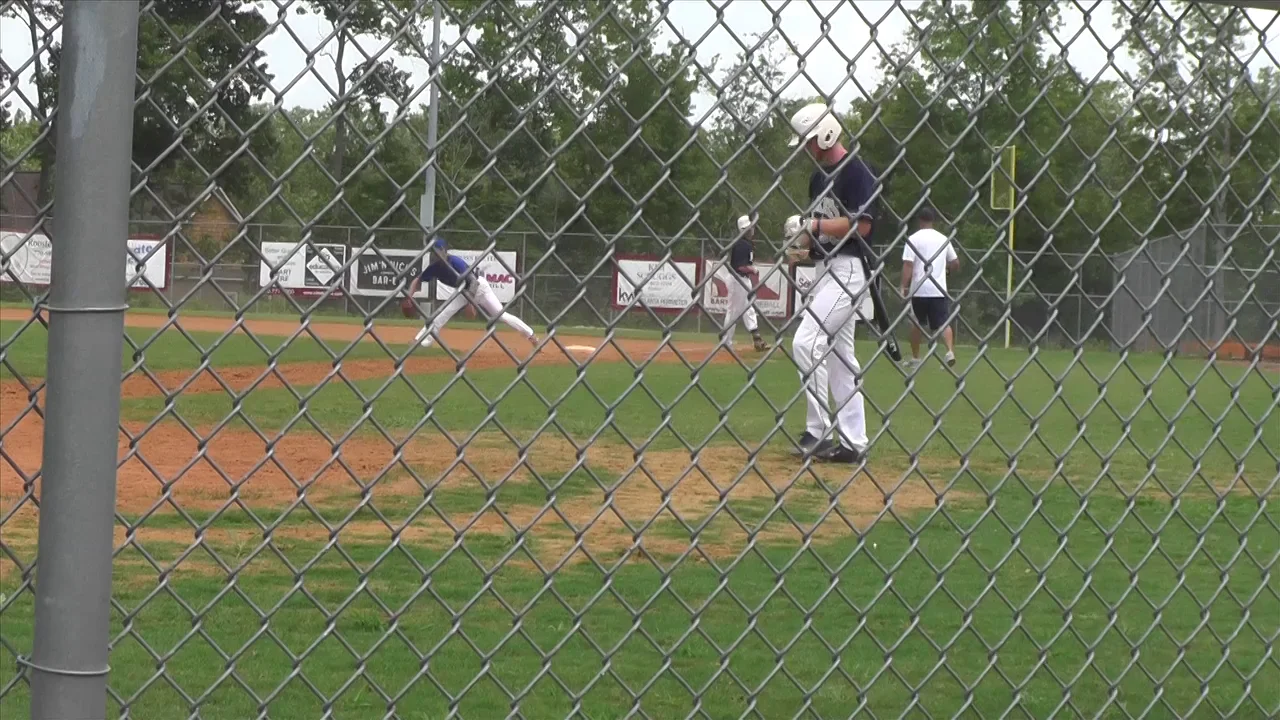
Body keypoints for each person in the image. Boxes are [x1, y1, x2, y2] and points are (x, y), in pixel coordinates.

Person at [781, 102, 881, 464]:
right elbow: (820, 227)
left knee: (805, 342)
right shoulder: (817, 178)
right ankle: (854, 443)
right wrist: (804, 244)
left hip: (850, 269)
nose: (808, 148)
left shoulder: (856, 170)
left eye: (810, 141)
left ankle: (819, 431)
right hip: (825, 270)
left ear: (826, 133)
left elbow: (862, 224)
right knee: (841, 358)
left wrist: (814, 227)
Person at [403, 237, 539, 349]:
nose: (435, 254)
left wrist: (470, 303)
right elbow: (417, 280)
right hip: (462, 291)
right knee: (443, 313)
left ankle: (531, 335)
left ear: (445, 251)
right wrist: (410, 296)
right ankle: (419, 340)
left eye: (438, 251)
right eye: (433, 252)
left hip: (480, 288)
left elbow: (474, 282)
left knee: (501, 315)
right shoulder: (434, 267)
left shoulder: (455, 262)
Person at [900, 207, 959, 368]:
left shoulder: (913, 238)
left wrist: (903, 286)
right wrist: (945, 270)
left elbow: (908, 264)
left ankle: (916, 357)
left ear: (920, 221)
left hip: (919, 289)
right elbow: (955, 262)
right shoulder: (943, 238)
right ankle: (949, 352)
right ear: (933, 221)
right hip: (938, 289)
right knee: (943, 322)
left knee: (916, 323)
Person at [723, 214, 770, 353]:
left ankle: (757, 339)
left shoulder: (745, 243)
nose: (752, 229)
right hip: (737, 280)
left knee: (748, 309)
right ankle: (727, 342)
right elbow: (739, 266)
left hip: (743, 280)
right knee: (733, 312)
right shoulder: (742, 244)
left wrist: (750, 270)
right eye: (749, 228)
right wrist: (752, 269)